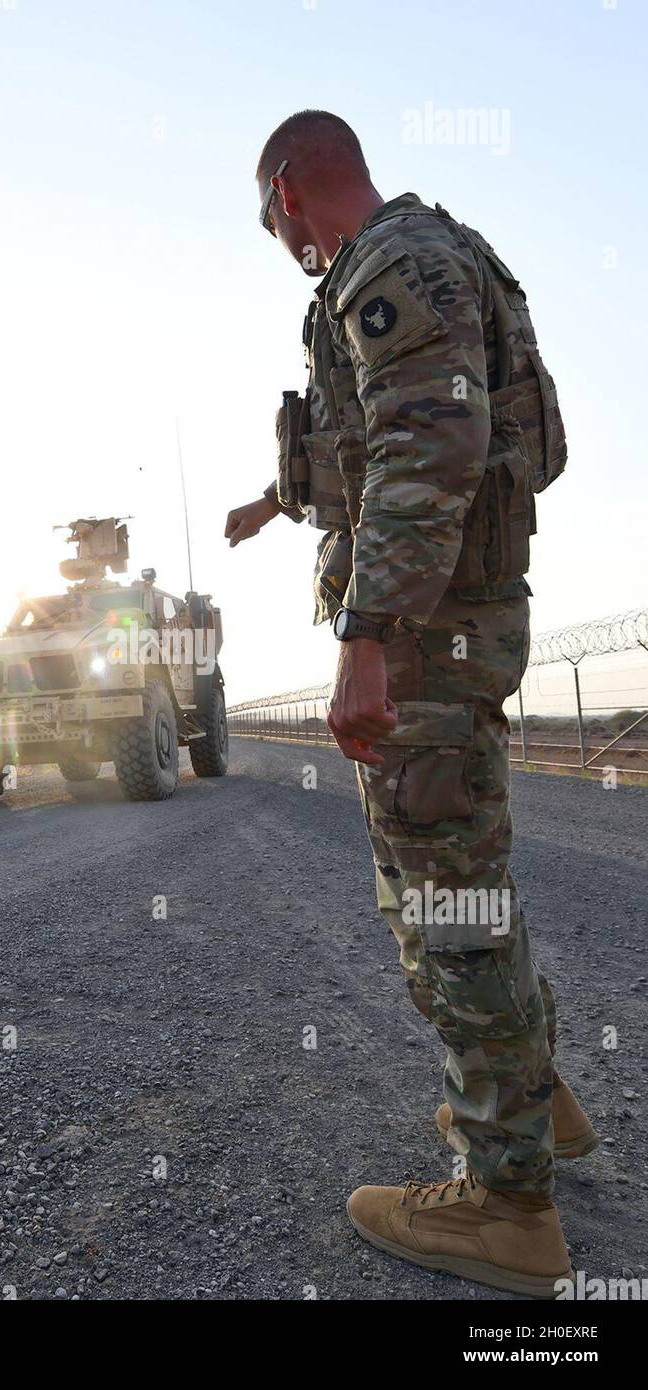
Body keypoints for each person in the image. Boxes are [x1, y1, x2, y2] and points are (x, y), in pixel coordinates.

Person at [226, 110, 597, 1298]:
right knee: (462, 877)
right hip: (449, 620)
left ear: (288, 189)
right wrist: (273, 506)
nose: (276, 234)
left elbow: (431, 439)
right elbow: (375, 431)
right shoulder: (426, 251)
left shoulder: (388, 263)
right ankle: (533, 1105)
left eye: (266, 213)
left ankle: (506, 1205)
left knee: (447, 907)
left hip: (425, 635)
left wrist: (368, 637)